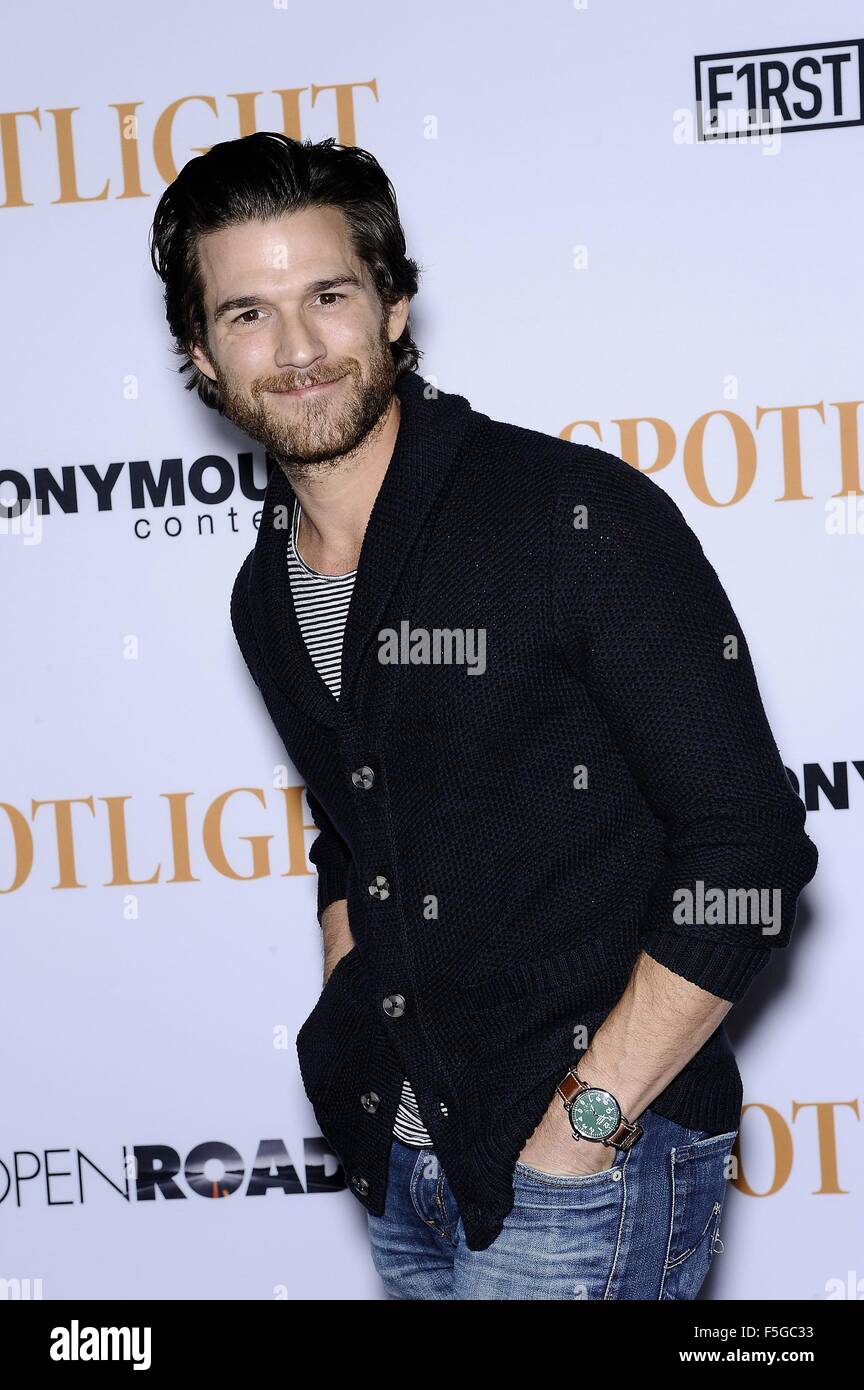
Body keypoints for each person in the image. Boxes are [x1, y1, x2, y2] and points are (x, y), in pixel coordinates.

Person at [149, 133, 819, 1299]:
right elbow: (359, 828)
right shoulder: (270, 589)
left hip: (585, 1170)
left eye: (329, 296)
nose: (299, 349)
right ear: (201, 354)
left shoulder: (570, 518)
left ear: (396, 307)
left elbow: (751, 853)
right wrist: (353, 999)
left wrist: (586, 1125)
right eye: (248, 315)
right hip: (406, 1162)